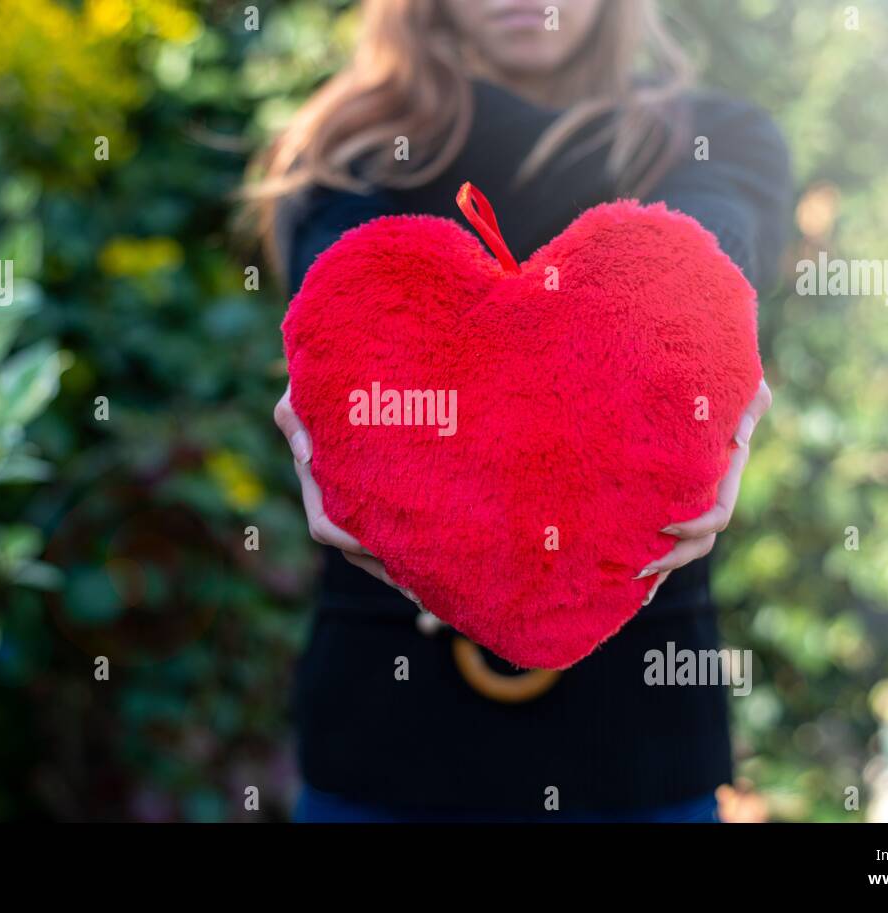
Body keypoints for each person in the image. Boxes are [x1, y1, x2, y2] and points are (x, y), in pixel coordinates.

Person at [250, 0, 791, 822]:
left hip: (634, 757)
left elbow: (716, 237)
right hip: (387, 755)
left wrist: (706, 314)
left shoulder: (715, 136)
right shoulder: (351, 151)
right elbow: (345, 291)